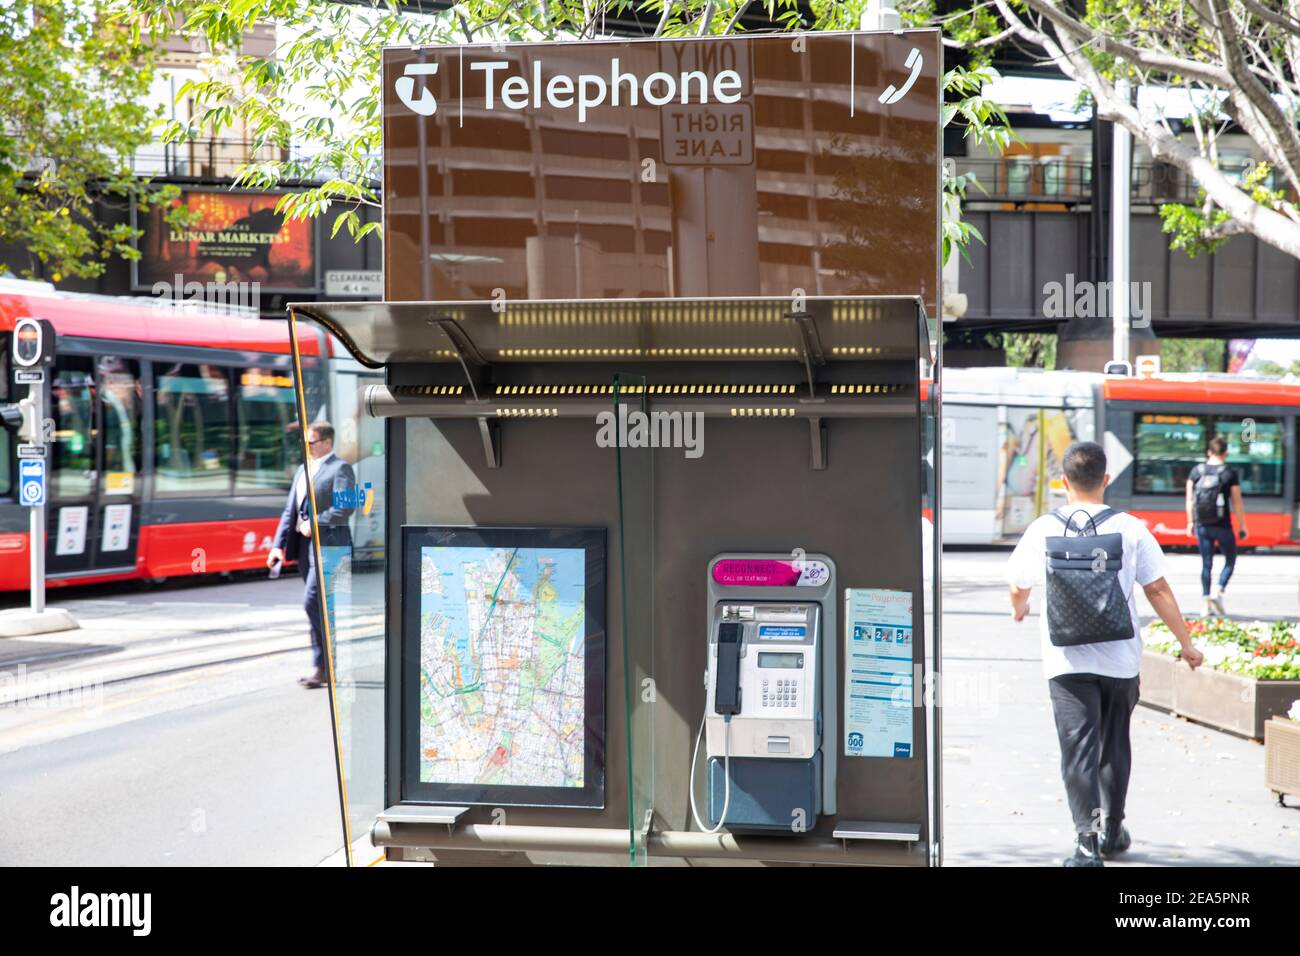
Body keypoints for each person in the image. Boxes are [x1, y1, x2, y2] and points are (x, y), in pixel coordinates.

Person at [1007, 440, 1203, 867]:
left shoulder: (1042, 528)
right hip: (1120, 660)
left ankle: (1086, 843)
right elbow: (1157, 589)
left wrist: (1020, 606)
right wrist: (1186, 644)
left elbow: (1018, 584)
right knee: (1114, 746)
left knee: (1078, 750)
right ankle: (1112, 830)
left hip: (1066, 662)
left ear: (1064, 481)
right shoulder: (1131, 528)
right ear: (1106, 479)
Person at [267, 421, 356, 689]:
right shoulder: (302, 470)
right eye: (304, 442)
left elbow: (346, 507)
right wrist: (277, 546)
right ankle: (322, 667)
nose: (305, 447)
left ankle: (328, 662)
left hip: (330, 547)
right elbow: (290, 512)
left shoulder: (340, 468)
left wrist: (314, 523)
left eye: (311, 442)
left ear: (327, 443)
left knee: (312, 603)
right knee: (319, 608)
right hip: (306, 549)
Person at [1185, 436, 1248, 617]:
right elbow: (1237, 502)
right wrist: (1242, 525)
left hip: (1202, 525)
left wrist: (1190, 522)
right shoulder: (1229, 473)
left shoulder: (1196, 471)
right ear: (1226, 453)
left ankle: (1205, 601)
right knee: (1230, 559)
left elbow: (1189, 500)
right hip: (1223, 525)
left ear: (1209, 452)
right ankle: (1218, 591)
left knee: (1206, 563)